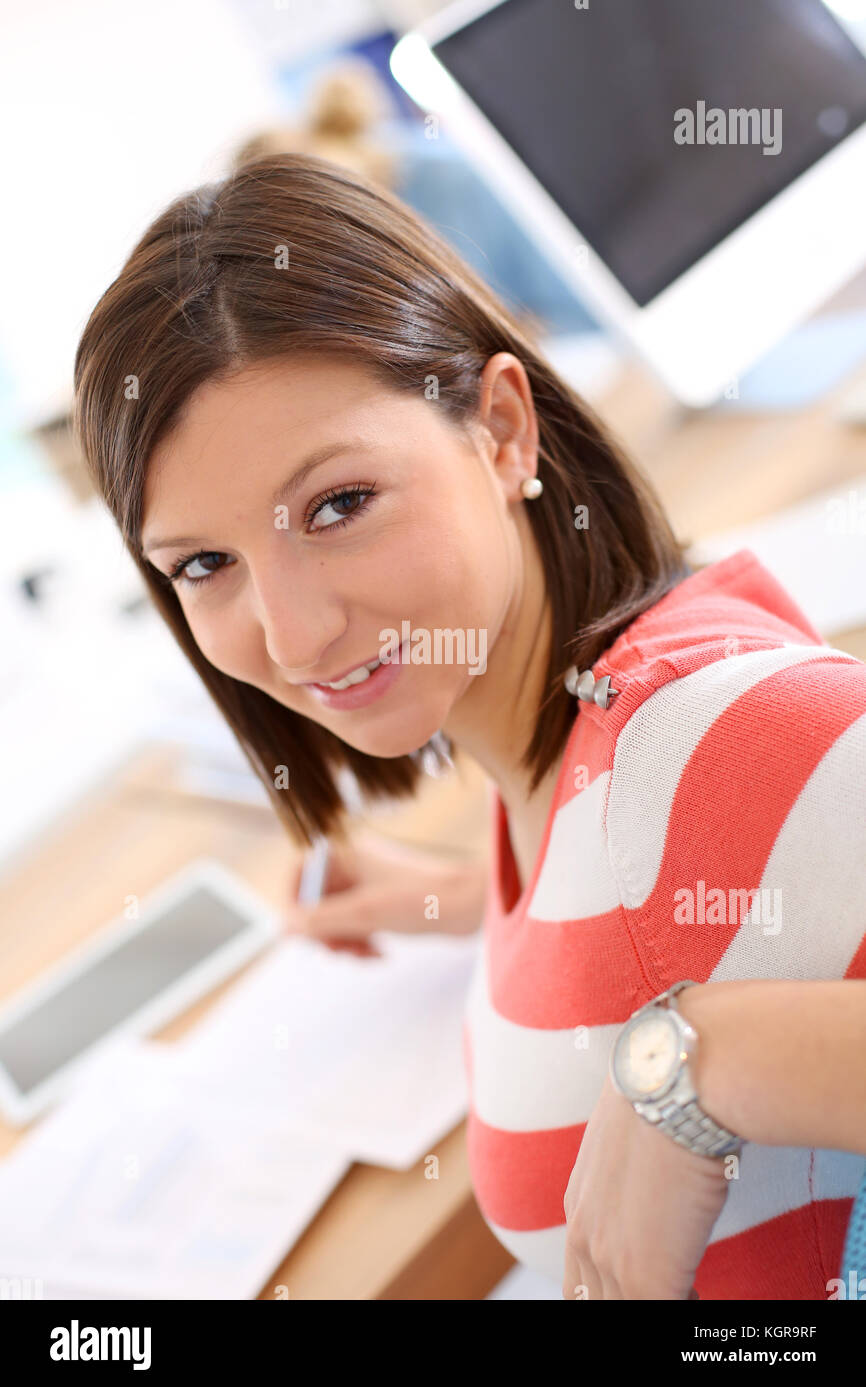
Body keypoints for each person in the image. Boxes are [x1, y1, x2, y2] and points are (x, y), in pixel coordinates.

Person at [71, 152, 866, 1301]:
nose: (292, 635)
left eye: (338, 504)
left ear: (499, 430)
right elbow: (699, 892)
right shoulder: (581, 745)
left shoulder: (718, 736)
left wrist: (701, 1061)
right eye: (206, 563)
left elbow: (737, 808)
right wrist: (476, 906)